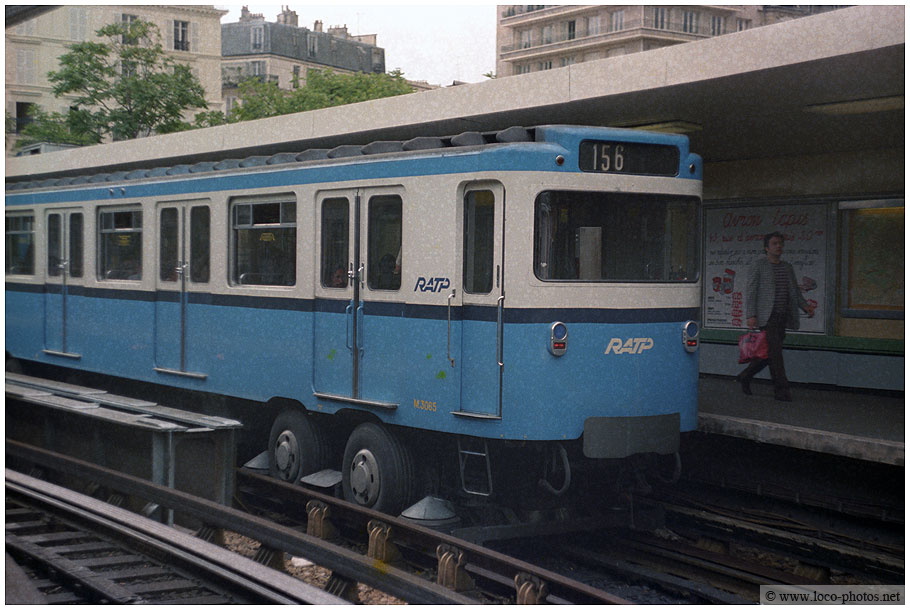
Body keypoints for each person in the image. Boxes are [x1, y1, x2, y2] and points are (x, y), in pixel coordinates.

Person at [737, 232, 816, 401]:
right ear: (767, 248)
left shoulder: (787, 267)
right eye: (774, 243)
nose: (778, 246)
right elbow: (751, 291)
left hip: (783, 316)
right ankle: (782, 391)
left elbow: (794, 291)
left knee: (769, 354)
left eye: (780, 243)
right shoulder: (759, 266)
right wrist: (751, 315)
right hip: (768, 317)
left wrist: (806, 307)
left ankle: (746, 375)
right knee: (776, 355)